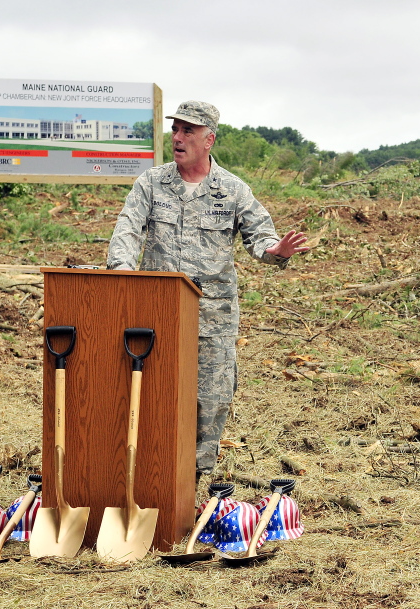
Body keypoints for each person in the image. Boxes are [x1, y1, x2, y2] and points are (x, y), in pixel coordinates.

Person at [106, 100, 308, 478]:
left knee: (211, 398)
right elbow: (128, 231)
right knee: (150, 390)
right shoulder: (151, 183)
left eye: (188, 131)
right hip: (156, 311)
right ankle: (149, 470)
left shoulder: (232, 190)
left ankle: (197, 476)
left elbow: (261, 237)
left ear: (209, 139)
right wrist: (122, 271)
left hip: (213, 316)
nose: (177, 138)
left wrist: (276, 250)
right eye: (175, 130)